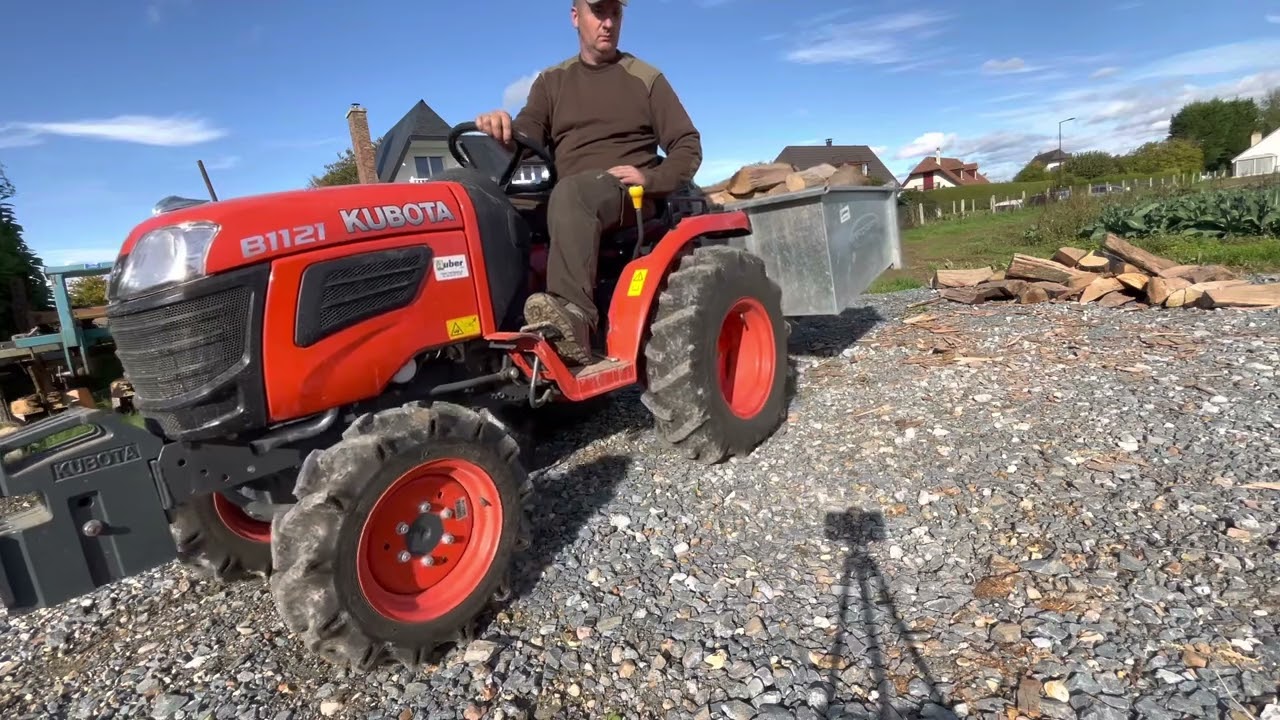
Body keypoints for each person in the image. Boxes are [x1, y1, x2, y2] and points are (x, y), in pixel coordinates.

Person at [473, 0, 702, 366]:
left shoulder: (645, 79)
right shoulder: (552, 81)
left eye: (616, 13)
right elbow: (528, 133)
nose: (608, 23)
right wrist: (504, 130)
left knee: (573, 193)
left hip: (626, 194)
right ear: (575, 16)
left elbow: (687, 144)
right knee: (483, 205)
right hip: (572, 195)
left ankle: (574, 321)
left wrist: (653, 178)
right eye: (599, 12)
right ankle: (485, 326)